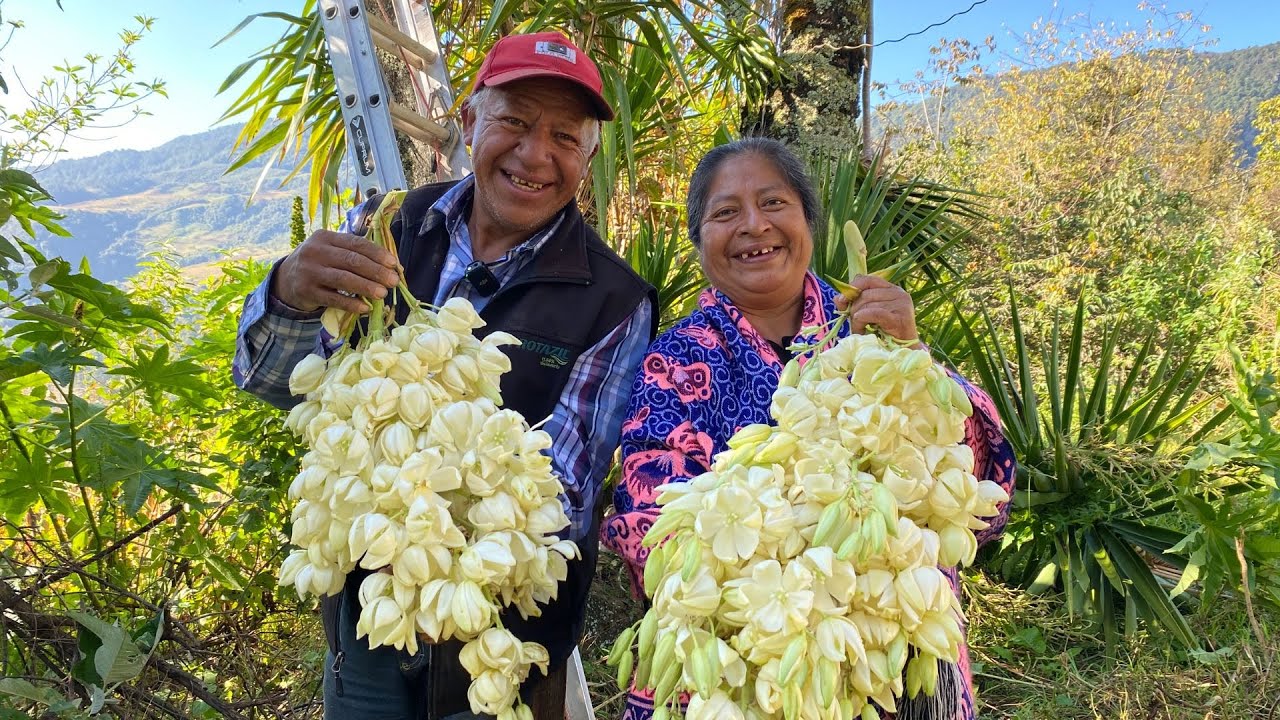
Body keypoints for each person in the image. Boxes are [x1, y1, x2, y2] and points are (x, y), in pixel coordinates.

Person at [233, 30, 657, 720]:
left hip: (500, 646)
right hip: (368, 621)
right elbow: (281, 384)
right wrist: (287, 293)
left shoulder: (614, 299)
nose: (535, 154)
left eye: (563, 136)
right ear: (468, 121)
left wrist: (430, 521)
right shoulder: (386, 227)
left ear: (587, 155)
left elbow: (567, 497)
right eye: (514, 121)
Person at [601, 137, 1016, 720]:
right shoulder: (674, 360)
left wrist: (914, 357)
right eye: (725, 213)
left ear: (808, 222)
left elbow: (980, 496)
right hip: (747, 667)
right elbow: (650, 528)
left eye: (774, 203)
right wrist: (787, 577)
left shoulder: (875, 335)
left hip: (894, 650)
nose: (754, 226)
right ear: (701, 244)